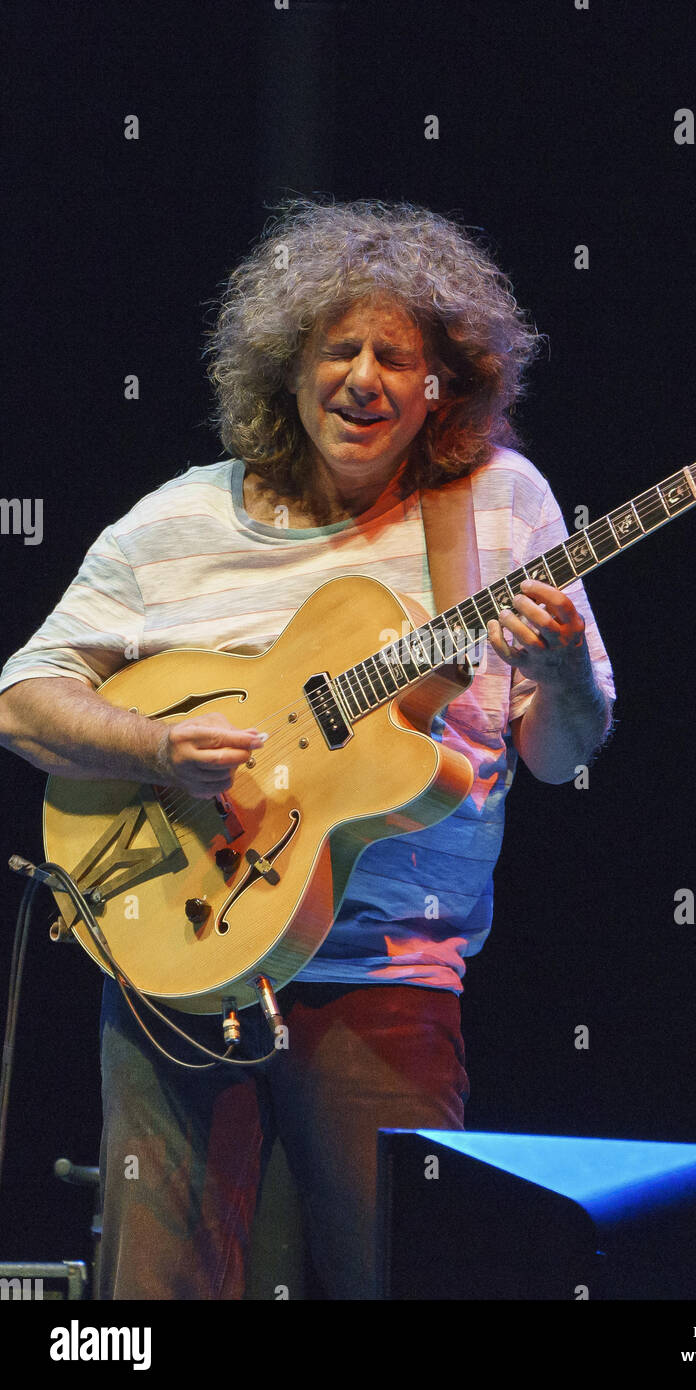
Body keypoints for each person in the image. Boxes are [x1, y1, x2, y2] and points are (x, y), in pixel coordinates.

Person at [0, 198, 615, 1299]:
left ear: (443, 387)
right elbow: (21, 701)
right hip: (174, 969)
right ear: (286, 369)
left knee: (407, 1277)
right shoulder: (174, 522)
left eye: (397, 356)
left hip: (388, 980)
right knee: (149, 1306)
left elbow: (560, 753)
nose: (364, 377)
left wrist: (562, 668)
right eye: (338, 349)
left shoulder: (499, 507)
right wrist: (152, 746)